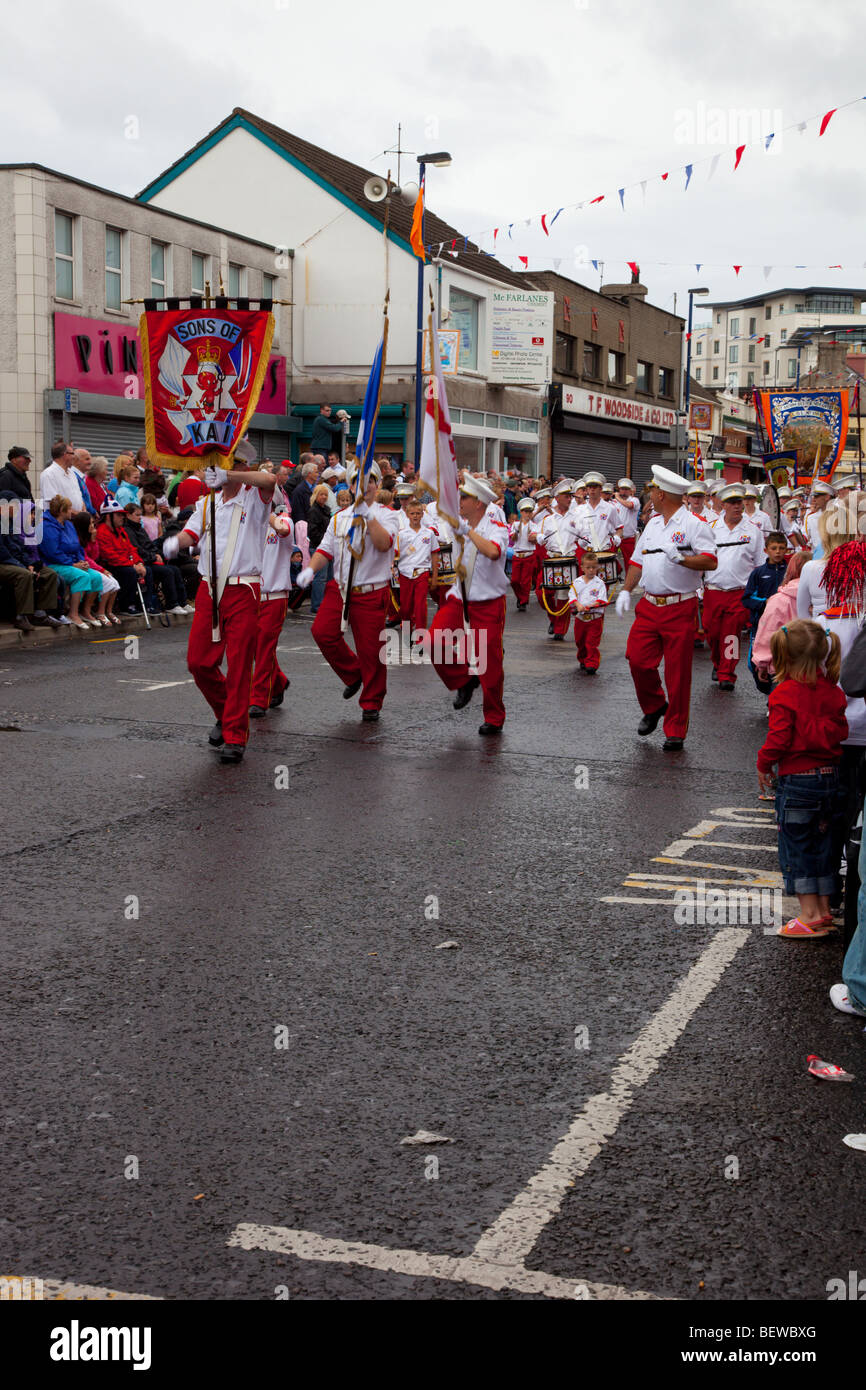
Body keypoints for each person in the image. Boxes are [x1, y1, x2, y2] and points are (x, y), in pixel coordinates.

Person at [162, 460, 278, 763]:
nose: (222, 471)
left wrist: (232, 475)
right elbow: (192, 534)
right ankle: (226, 713)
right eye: (219, 466)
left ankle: (236, 735)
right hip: (209, 588)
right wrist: (175, 542)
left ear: (241, 466)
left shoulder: (253, 499)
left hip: (243, 588)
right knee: (198, 662)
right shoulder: (206, 503)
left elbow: (270, 479)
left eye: (231, 464)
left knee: (239, 664)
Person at [615, 465, 718, 750]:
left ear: (661, 494)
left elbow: (711, 561)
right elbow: (637, 561)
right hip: (649, 604)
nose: (650, 495)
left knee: (678, 673)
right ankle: (655, 705)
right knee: (637, 659)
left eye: (652, 491)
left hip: (679, 605)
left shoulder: (694, 524)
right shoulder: (653, 524)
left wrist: (683, 560)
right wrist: (625, 590)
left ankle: (675, 730)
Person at [757, 619, 847, 938]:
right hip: (831, 778)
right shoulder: (833, 691)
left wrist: (763, 763)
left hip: (798, 781)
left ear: (786, 657)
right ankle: (823, 910)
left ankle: (808, 915)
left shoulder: (785, 693)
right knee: (824, 844)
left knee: (797, 847)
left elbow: (779, 738)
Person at [294, 461, 398, 721]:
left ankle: (371, 701)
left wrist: (368, 516)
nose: (365, 486)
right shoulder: (339, 517)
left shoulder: (388, 514)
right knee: (322, 632)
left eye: (370, 481)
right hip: (340, 590)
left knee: (371, 650)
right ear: (350, 486)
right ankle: (353, 673)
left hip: (371, 591)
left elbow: (384, 544)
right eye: (358, 482)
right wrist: (310, 569)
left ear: (376, 485)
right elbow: (325, 550)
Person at [425, 475, 509, 736]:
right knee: (432, 641)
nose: (459, 501)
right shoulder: (457, 524)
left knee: (489, 666)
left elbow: (494, 552)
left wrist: (468, 532)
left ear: (479, 503)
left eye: (464, 498)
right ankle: (463, 680)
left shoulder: (497, 526)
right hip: (458, 599)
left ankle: (494, 716)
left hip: (488, 603)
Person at [702, 483, 764, 691]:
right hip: (713, 591)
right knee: (712, 632)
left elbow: (759, 563)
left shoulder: (753, 532)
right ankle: (718, 662)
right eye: (732, 503)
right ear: (723, 504)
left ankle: (727, 673)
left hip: (739, 593)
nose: (737, 506)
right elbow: (701, 558)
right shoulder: (710, 529)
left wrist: (758, 592)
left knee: (731, 634)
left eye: (740, 502)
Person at [249, 506, 294, 718]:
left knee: (265, 647)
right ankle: (279, 682)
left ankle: (259, 699)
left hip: (274, 595)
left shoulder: (284, 519)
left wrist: (267, 514)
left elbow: (284, 530)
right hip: (250, 594)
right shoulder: (249, 522)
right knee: (256, 648)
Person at [38, 495, 104, 628]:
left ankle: (85, 611)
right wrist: (73, 564)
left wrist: (81, 560)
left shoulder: (69, 524)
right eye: (69, 509)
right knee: (81, 576)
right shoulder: (47, 527)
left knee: (96, 576)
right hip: (54, 564)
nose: (71, 511)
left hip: (71, 562)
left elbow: (77, 546)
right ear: (61, 511)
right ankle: (73, 614)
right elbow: (52, 552)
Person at [0, 499, 59, 630]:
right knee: (24, 575)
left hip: (14, 561)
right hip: (4, 562)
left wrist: (30, 564)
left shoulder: (8, 524)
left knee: (50, 574)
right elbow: (3, 552)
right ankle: (21, 616)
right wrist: (23, 566)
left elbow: (15, 549)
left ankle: (40, 613)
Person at [122, 503, 190, 615]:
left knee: (175, 570)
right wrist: (153, 557)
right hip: (144, 561)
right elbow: (137, 549)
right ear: (128, 515)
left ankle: (182, 602)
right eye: (137, 515)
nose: (140, 517)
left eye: (140, 514)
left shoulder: (140, 528)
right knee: (167, 572)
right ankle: (171, 604)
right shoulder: (128, 530)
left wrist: (158, 554)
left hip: (151, 558)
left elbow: (150, 544)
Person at [536, 480, 581, 640]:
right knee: (542, 593)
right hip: (552, 559)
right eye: (566, 496)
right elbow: (533, 535)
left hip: (568, 559)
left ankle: (560, 630)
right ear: (557, 497)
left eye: (570, 496)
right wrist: (538, 537)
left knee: (563, 596)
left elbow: (584, 537)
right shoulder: (547, 519)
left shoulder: (576, 517)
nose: (570, 499)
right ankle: (554, 620)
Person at [96, 496, 157, 614]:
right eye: (119, 515)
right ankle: (127, 605)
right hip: (111, 566)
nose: (122, 517)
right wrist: (133, 565)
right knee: (129, 572)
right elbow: (111, 556)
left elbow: (131, 549)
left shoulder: (120, 530)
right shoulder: (102, 532)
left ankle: (146, 604)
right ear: (109, 516)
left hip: (126, 563)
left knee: (147, 570)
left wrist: (138, 562)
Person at [396, 499, 439, 633]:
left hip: (422, 572)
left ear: (422, 515)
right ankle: (407, 626)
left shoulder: (429, 533)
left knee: (421, 605)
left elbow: (434, 554)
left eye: (418, 513)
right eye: (412, 513)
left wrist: (435, 576)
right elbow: (395, 554)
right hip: (405, 572)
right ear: (408, 514)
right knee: (406, 606)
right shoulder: (401, 534)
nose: (415, 516)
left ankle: (420, 634)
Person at [72, 511, 121, 625]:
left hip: (91, 565)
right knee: (106, 582)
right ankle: (99, 612)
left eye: (93, 523)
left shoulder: (89, 537)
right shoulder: (79, 539)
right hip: (85, 565)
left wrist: (94, 541)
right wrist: (101, 570)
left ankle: (108, 611)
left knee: (115, 583)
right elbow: (87, 558)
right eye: (90, 524)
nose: (93, 526)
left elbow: (94, 556)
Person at [568, 551, 608, 673]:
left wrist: (591, 606)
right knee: (580, 642)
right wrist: (578, 605)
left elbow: (601, 600)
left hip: (594, 618)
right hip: (580, 618)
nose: (591, 570)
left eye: (594, 567)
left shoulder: (600, 583)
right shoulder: (577, 582)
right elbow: (572, 596)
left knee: (591, 643)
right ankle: (583, 658)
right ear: (582, 568)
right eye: (588, 567)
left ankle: (592, 663)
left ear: (597, 567)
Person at [307, 483, 334, 617]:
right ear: (315, 495)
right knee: (321, 577)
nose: (324, 497)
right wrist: (325, 541)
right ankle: (317, 605)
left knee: (329, 577)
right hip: (318, 547)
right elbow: (312, 532)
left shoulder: (326, 510)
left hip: (327, 547)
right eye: (321, 494)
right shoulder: (314, 511)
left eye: (325, 494)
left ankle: (326, 603)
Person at [39, 442, 89, 514]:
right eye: (72, 453)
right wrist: (78, 514)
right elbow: (54, 504)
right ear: (65, 455)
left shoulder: (72, 473)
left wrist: (83, 512)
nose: (74, 457)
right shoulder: (49, 474)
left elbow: (79, 496)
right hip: (60, 523)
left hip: (76, 521)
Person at [509, 497, 537, 610]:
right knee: (514, 581)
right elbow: (513, 539)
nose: (528, 514)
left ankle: (523, 602)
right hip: (517, 555)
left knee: (526, 581)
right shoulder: (515, 524)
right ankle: (520, 598)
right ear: (521, 512)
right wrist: (516, 531)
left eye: (530, 511)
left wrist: (532, 535)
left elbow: (533, 540)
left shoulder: (534, 525)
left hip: (528, 555)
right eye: (525, 511)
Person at [614, 478, 640, 568]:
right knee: (608, 558)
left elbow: (629, 505)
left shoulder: (634, 500)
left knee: (629, 563)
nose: (624, 491)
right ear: (619, 490)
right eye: (622, 489)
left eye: (626, 489)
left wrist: (617, 498)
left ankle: (628, 581)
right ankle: (618, 572)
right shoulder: (614, 502)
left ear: (630, 491)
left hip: (628, 537)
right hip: (615, 537)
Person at [290, 461, 320, 526]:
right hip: (305, 528)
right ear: (309, 474)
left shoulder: (316, 488)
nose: (318, 474)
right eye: (316, 472)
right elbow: (298, 514)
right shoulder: (299, 491)